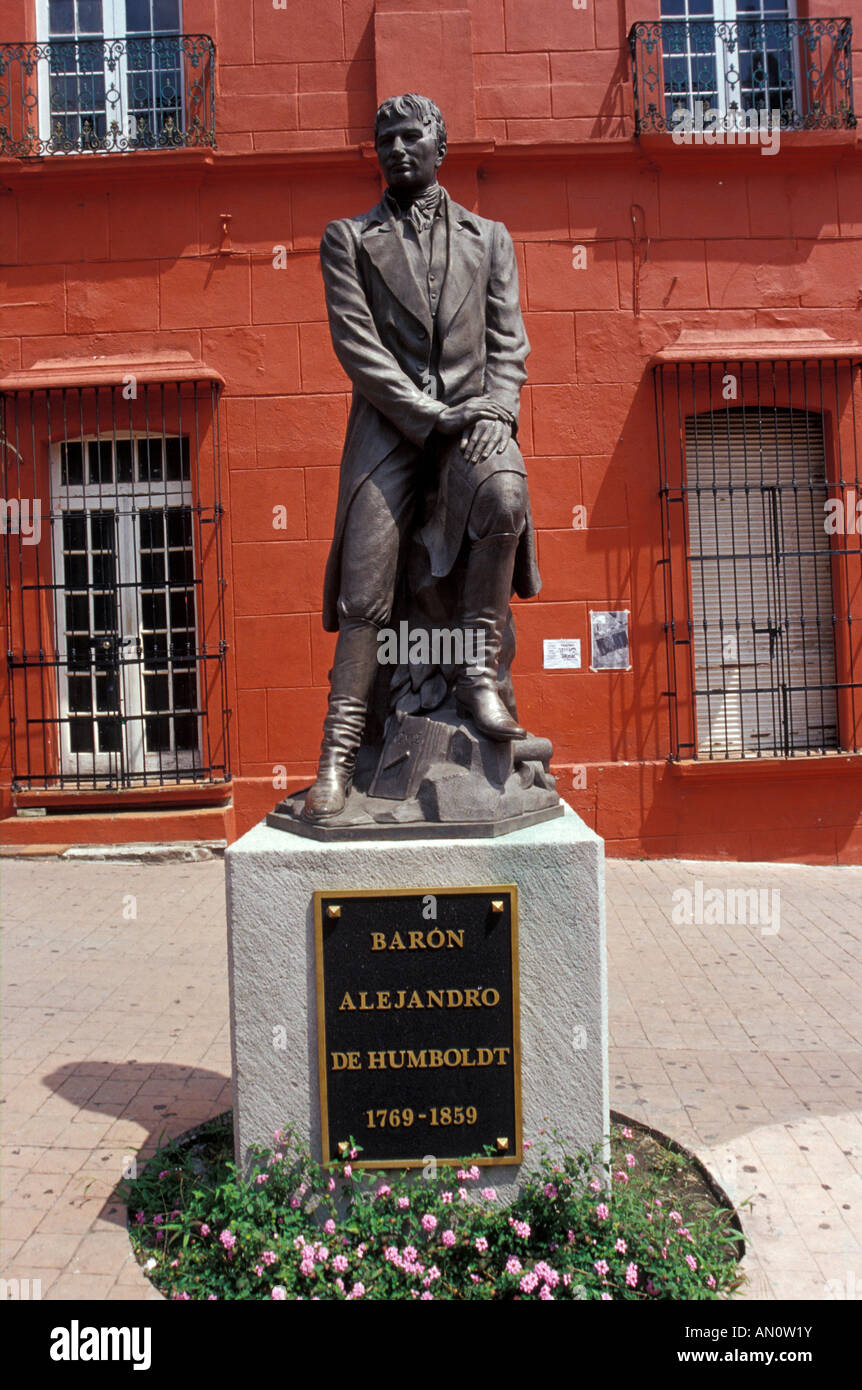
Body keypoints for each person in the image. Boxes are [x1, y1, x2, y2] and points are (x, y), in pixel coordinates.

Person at [304, 93, 540, 820]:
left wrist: (496, 412)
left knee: (506, 494)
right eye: (384, 140)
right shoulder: (348, 237)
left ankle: (477, 675)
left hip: (474, 425)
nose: (397, 149)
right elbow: (359, 350)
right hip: (392, 431)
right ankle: (340, 755)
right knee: (364, 591)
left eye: (411, 137)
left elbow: (510, 344)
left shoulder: (489, 237)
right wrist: (432, 414)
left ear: (441, 146)